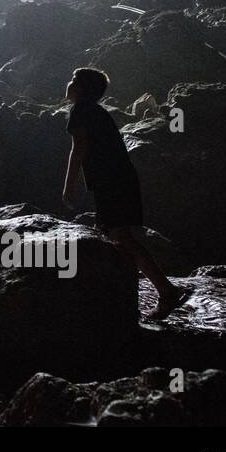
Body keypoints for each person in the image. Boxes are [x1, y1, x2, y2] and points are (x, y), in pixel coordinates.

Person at [61, 67, 186, 320]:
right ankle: (132, 294)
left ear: (81, 89)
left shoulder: (80, 111)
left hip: (112, 181)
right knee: (119, 237)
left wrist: (68, 188)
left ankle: (166, 291)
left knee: (120, 236)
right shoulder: (96, 110)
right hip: (120, 178)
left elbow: (78, 149)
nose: (69, 84)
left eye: (74, 81)